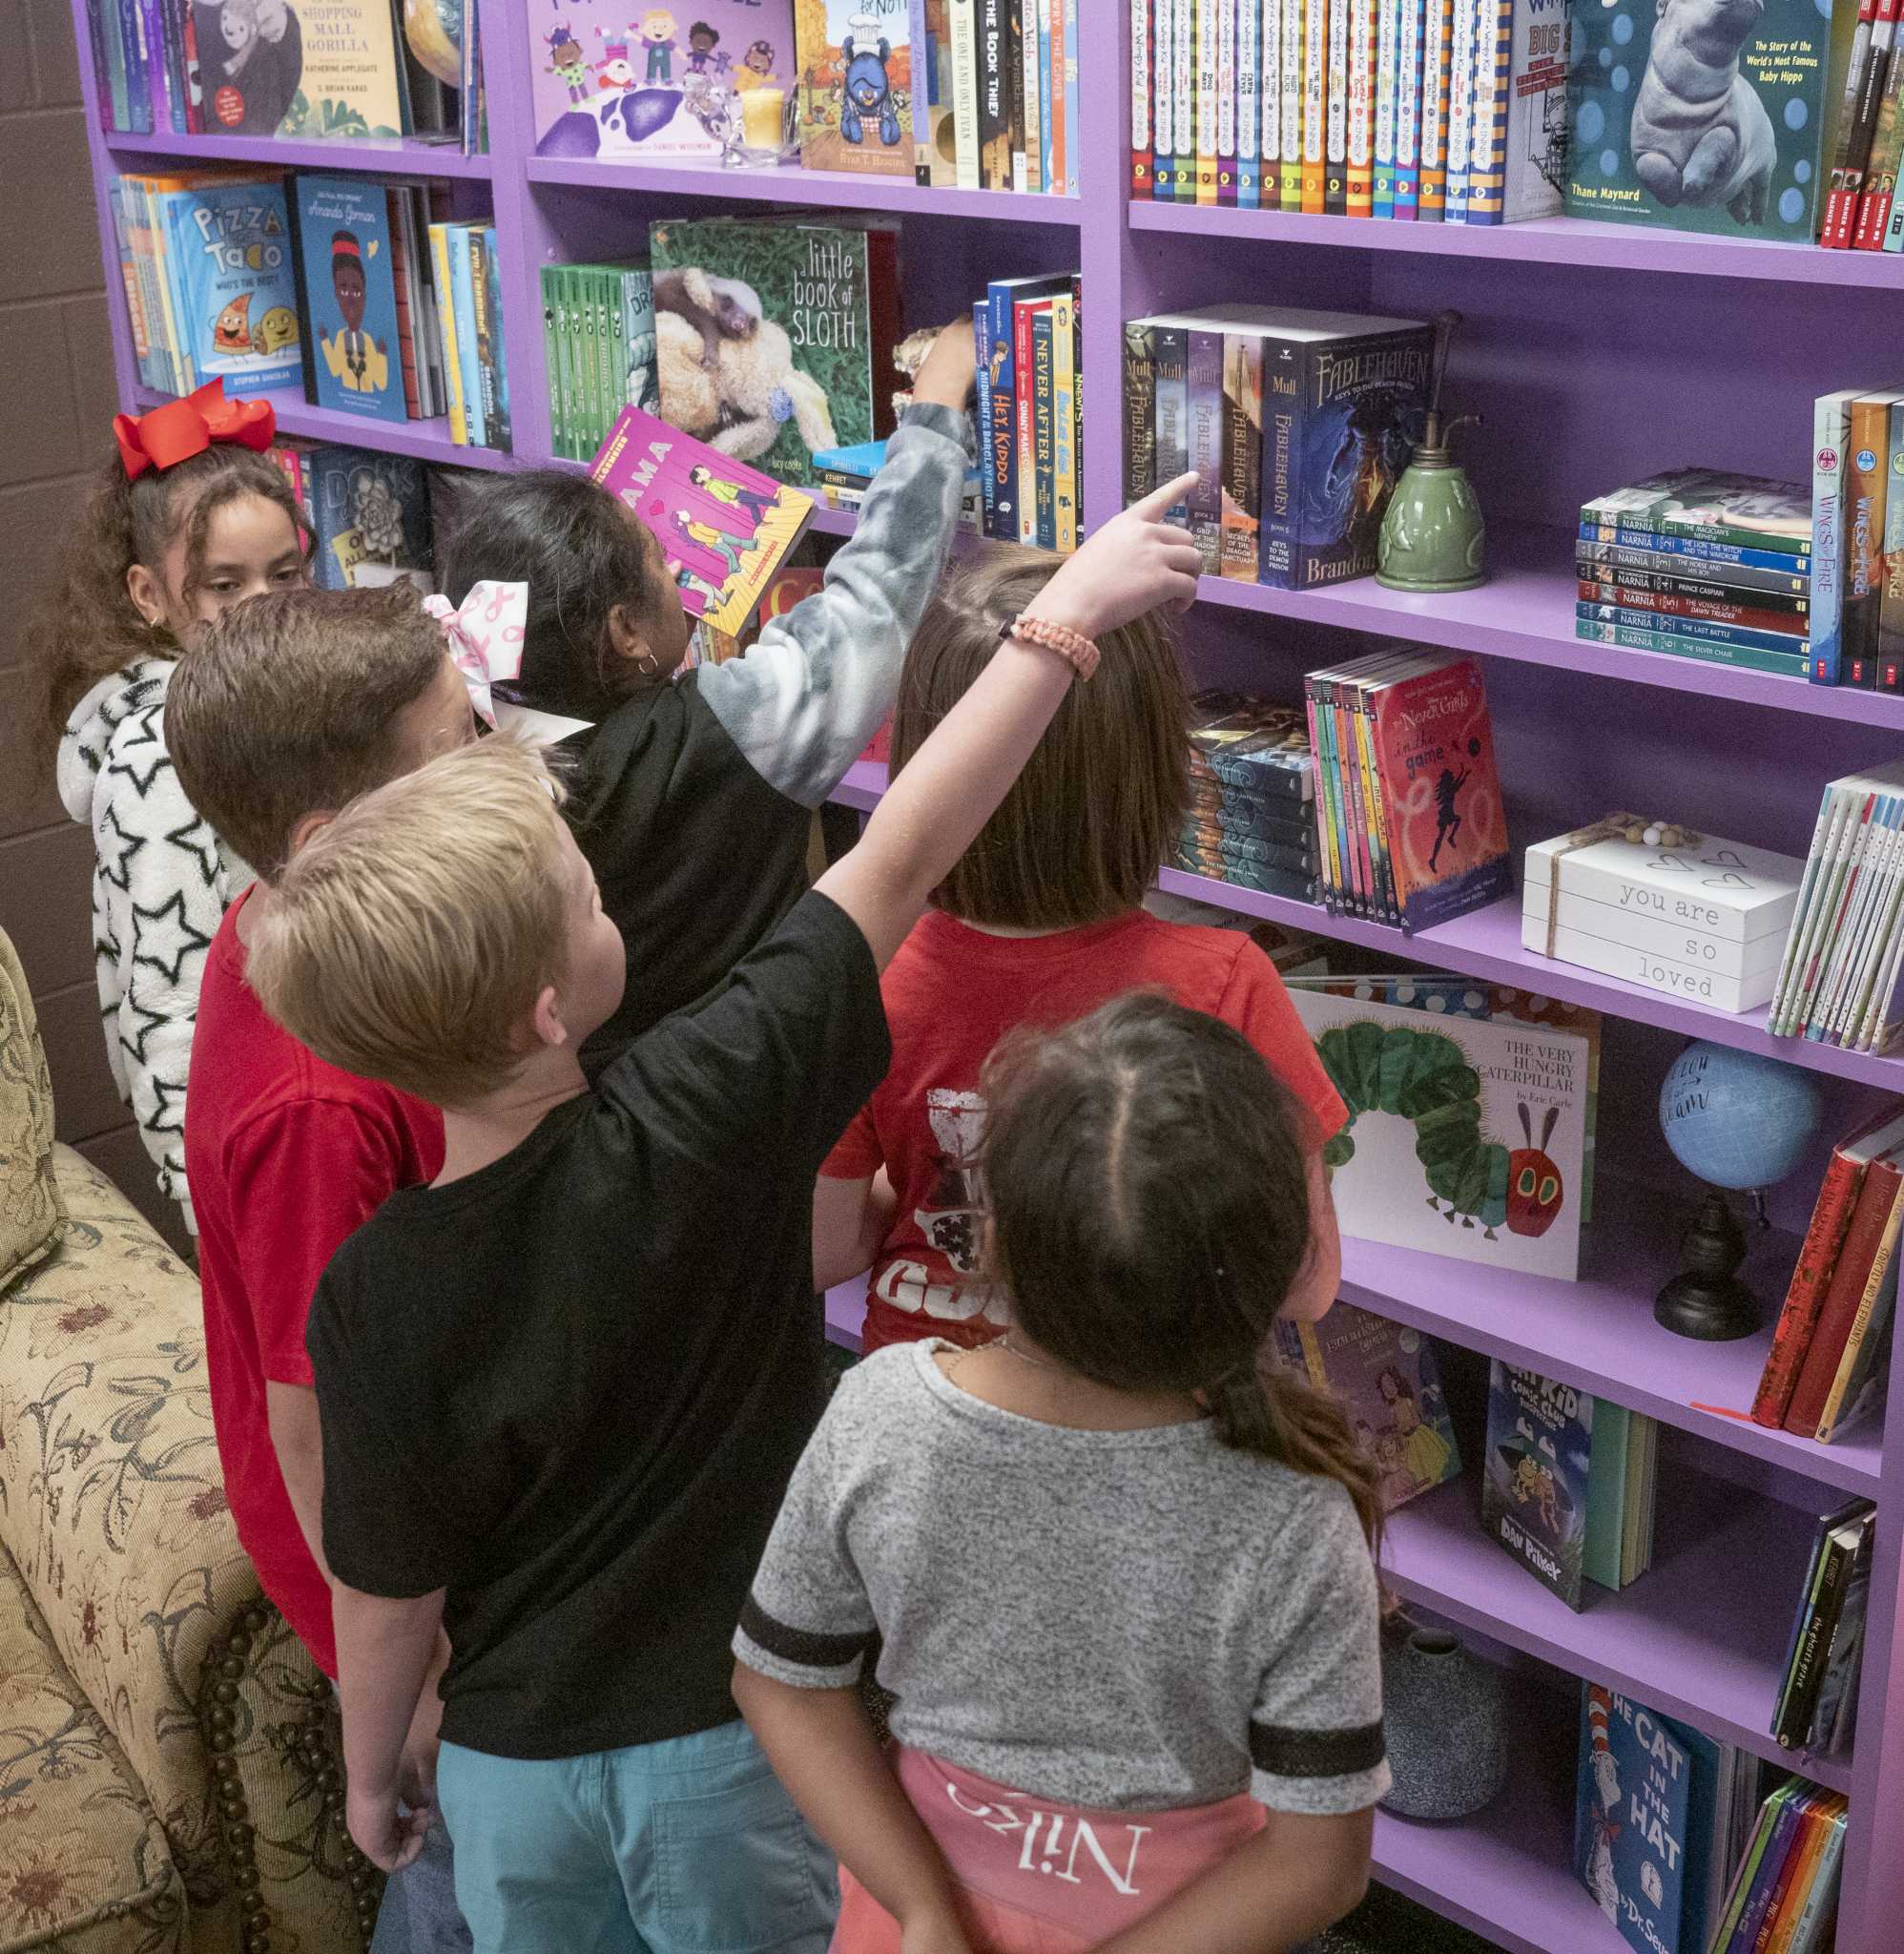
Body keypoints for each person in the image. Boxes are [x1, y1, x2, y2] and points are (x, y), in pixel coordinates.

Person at [243, 477, 1201, 1954]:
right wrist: (1065, 619)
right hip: (723, 1747)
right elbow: (904, 857)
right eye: (586, 890)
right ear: (553, 1002)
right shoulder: (705, 1111)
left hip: (509, 1773)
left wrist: (378, 1770)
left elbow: (386, 1594)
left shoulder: (368, 1290)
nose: (604, 887)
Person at [735, 993, 1388, 1954]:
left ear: (989, 1238)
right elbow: (1320, 1861)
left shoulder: (880, 1410)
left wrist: (921, 1907)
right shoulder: (1296, 1518)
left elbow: (781, 1682)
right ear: (1277, 1267)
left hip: (918, 1907)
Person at [812, 548, 1345, 1353]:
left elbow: (824, 1250)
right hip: (1151, 1407)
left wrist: (920, 1193)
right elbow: (1305, 1282)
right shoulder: (1226, 982)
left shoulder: (866, 973)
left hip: (925, 1399)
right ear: (1159, 772)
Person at [167, 585, 478, 1952]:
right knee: (463, 1886)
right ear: (332, 838)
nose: (499, 760)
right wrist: (404, 1701)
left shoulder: (294, 936)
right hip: (416, 1612)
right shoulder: (319, 1101)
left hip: (435, 1554)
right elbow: (322, 1435)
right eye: (461, 743)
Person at [436, 317, 976, 1071]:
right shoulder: (724, 731)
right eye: (659, 560)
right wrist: (937, 404)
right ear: (625, 634)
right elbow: (876, 598)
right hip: (741, 1092)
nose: (679, 575)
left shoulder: (462, 760)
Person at [24, 384, 309, 1235]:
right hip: (249, 1149)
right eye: (225, 586)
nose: (265, 606)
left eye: (287, 573)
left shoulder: (281, 695)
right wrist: (206, 1200)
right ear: (150, 596)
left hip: (322, 1100)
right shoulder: (164, 754)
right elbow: (165, 1003)